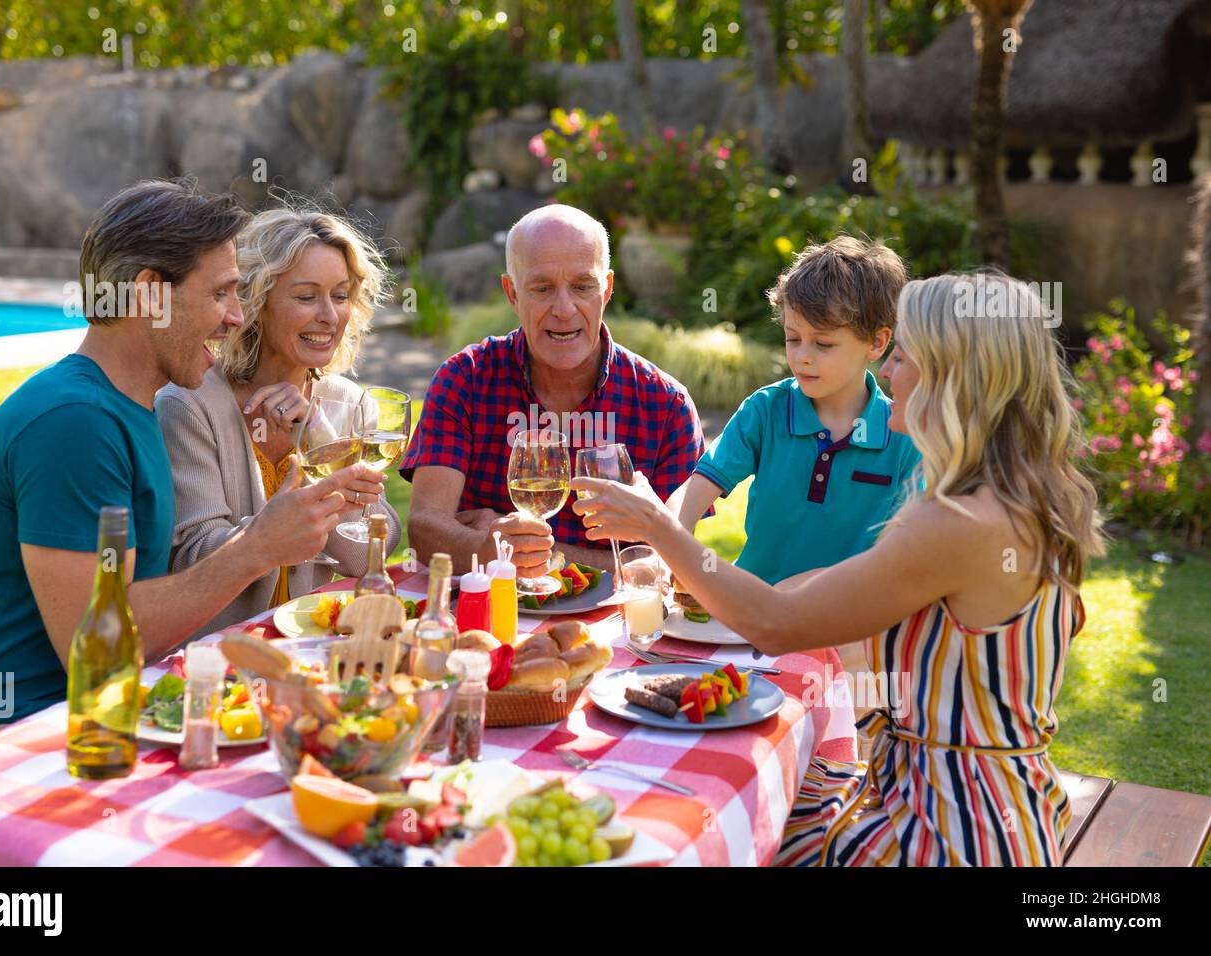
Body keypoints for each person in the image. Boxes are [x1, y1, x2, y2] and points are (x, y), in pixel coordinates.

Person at [572, 272, 1104, 866]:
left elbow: (776, 623)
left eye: (902, 355)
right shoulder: (1011, 496)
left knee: (707, 829)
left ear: (952, 375)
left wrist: (662, 530)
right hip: (968, 800)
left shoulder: (962, 521)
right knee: (754, 802)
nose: (891, 372)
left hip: (948, 831)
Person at [0, 180, 363, 777]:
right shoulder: (75, 422)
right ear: (151, 294)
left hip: (103, 721)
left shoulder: (134, 408)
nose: (236, 316)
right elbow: (90, 648)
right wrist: (259, 547)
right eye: (222, 293)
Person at [401, 203, 706, 577]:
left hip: (612, 630)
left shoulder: (665, 405)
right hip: (485, 619)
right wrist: (482, 546)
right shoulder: (465, 379)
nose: (564, 309)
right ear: (512, 294)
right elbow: (424, 531)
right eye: (542, 288)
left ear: (606, 290)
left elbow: (674, 563)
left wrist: (529, 552)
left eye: (582, 286)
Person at [157, 206, 399, 640]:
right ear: (255, 303)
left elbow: (365, 560)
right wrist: (277, 528)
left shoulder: (350, 404)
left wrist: (324, 446)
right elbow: (192, 562)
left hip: (313, 655)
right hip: (221, 660)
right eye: (306, 297)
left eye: (340, 296)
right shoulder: (191, 405)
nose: (329, 316)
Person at [669, 236, 921, 586]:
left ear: (877, 343)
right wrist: (669, 540)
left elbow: (907, 556)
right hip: (752, 611)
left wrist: (805, 593)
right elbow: (698, 488)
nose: (802, 355)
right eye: (792, 338)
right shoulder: (765, 410)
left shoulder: (904, 436)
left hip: (852, 625)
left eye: (823, 343)